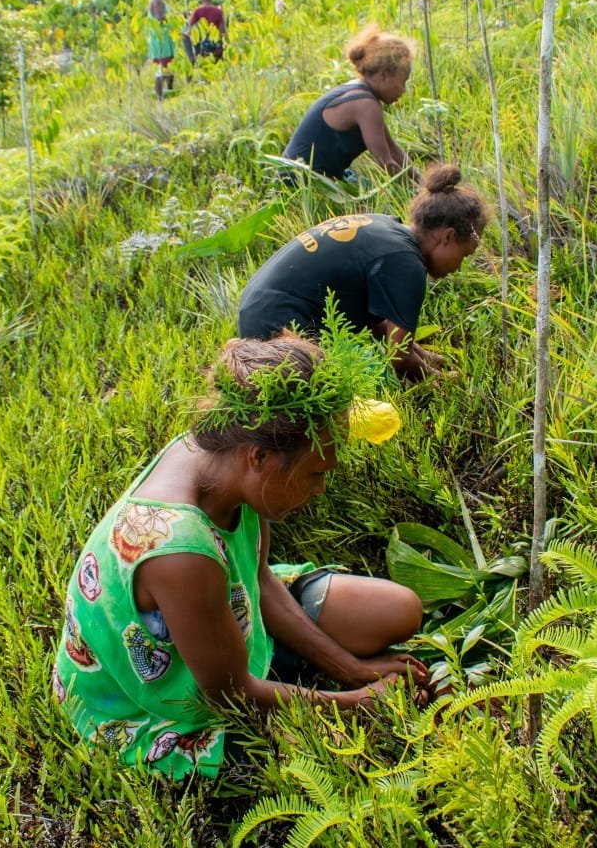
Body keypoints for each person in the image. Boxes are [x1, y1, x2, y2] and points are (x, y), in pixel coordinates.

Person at [52, 335, 428, 779]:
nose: (320, 490)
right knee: (323, 765)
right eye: (314, 474)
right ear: (261, 458)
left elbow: (257, 575)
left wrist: (350, 669)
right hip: (156, 694)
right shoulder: (180, 553)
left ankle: (279, 666)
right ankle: (279, 687)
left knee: (398, 611)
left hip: (224, 606)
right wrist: (355, 703)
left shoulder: (225, 458)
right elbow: (229, 694)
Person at [238, 164, 487, 380]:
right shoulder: (407, 264)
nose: (459, 267)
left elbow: (379, 324)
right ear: (448, 236)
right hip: (276, 326)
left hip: (257, 306)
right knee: (323, 400)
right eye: (464, 255)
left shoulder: (386, 227)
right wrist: (444, 381)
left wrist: (426, 357)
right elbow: (398, 358)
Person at [283, 25, 412, 180]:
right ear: (384, 76)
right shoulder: (365, 105)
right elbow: (386, 163)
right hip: (298, 181)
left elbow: (393, 150)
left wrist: (421, 181)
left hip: (308, 176)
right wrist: (416, 193)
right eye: (402, 82)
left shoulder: (362, 95)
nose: (403, 90)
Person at [147, 0, 177, 100]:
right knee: (163, 68)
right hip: (161, 40)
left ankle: (169, 93)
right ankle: (161, 98)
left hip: (164, 39)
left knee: (169, 67)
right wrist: (176, 19)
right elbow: (160, 18)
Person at [184, 0, 227, 67]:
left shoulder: (198, 11)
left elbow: (190, 26)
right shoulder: (218, 11)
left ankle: (192, 60)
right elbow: (222, 29)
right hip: (216, 41)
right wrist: (226, 42)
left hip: (204, 42)